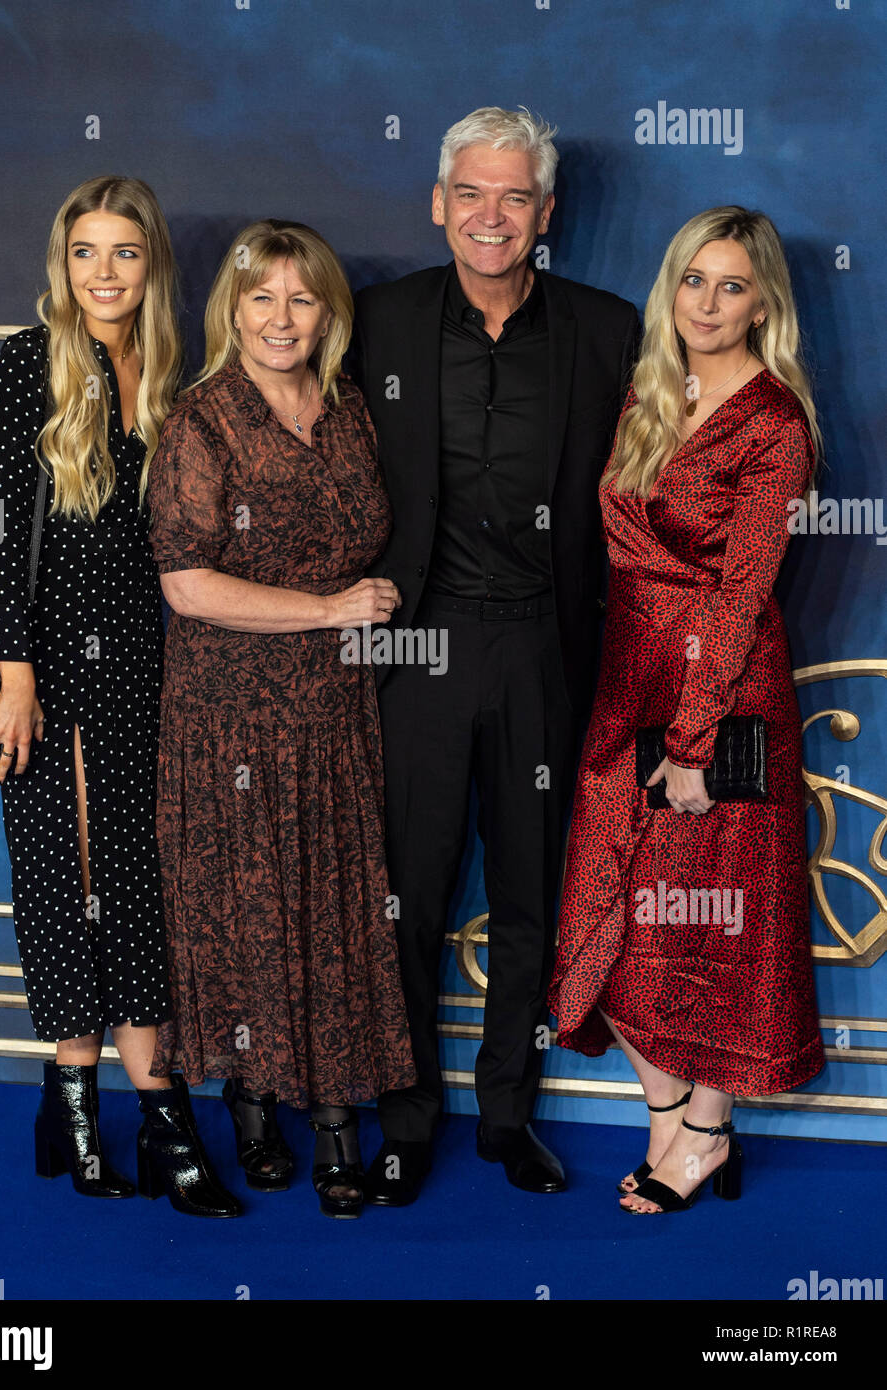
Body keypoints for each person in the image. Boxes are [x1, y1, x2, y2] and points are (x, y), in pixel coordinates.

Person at [347, 106, 640, 1204]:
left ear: (545, 213)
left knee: (530, 896)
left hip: (542, 650)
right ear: (437, 202)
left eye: (513, 196)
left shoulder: (608, 333)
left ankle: (508, 1114)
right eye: (469, 192)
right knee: (407, 899)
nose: (489, 215)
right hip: (416, 648)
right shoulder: (375, 323)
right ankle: (404, 1116)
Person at [0, 175, 240, 1218]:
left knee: (136, 882)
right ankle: (94, 1108)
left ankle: (134, 1105)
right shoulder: (34, 363)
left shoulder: (178, 370)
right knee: (63, 875)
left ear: (151, 263)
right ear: (62, 262)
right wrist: (17, 675)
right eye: (85, 252)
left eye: (124, 252)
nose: (104, 272)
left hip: (147, 668)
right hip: (44, 673)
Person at [547, 206, 825, 1214]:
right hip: (628, 681)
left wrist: (694, 741)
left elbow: (741, 594)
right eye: (691, 281)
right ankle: (666, 1117)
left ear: (764, 303)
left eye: (731, 286)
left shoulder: (772, 421)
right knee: (610, 909)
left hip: (718, 696)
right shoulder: (648, 392)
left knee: (710, 923)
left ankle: (704, 1132)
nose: (706, 304)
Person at [145, 218, 416, 1220]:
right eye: (261, 296)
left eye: (301, 298)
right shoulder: (203, 419)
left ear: (328, 313)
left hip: (337, 708)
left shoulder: (349, 409)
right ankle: (254, 1104)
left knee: (338, 903)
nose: (280, 317)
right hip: (232, 710)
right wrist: (329, 610)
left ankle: (339, 1120)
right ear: (232, 309)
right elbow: (184, 582)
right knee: (246, 900)